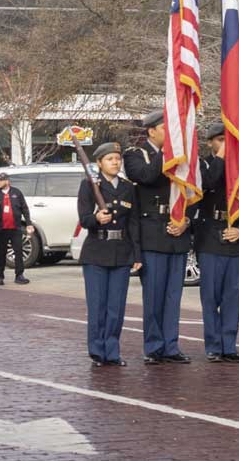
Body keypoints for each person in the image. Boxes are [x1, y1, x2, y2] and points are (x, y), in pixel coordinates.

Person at [124, 109, 192, 365]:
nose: (171, 134)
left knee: (174, 296)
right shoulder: (135, 155)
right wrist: (167, 152)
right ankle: (154, 346)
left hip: (177, 231)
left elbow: (192, 191)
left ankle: (171, 346)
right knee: (154, 295)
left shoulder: (181, 158)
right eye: (166, 129)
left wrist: (186, 220)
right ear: (151, 131)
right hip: (152, 232)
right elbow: (146, 176)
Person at [78, 142, 141, 367]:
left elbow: (133, 223)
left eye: (117, 158)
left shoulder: (128, 187)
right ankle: (97, 351)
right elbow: (83, 219)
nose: (115, 162)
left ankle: (112, 351)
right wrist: (96, 219)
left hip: (121, 252)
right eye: (109, 159)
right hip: (96, 251)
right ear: (99, 163)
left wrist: (137, 254)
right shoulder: (89, 186)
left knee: (116, 307)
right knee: (98, 306)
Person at [195, 122, 239, 363]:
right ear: (210, 143)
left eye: (227, 140)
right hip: (210, 236)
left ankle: (229, 345)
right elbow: (206, 183)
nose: (224, 144)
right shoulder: (203, 164)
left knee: (232, 296)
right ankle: (213, 345)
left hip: (234, 238)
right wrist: (220, 158)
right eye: (219, 140)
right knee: (211, 296)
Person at [0, 172, 35, 286]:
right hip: (1, 229)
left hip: (15, 228)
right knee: (1, 253)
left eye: (1, 180)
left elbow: (24, 208)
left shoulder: (16, 192)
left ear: (7, 181)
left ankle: (19, 275)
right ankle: (0, 276)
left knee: (18, 251)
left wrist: (28, 223)